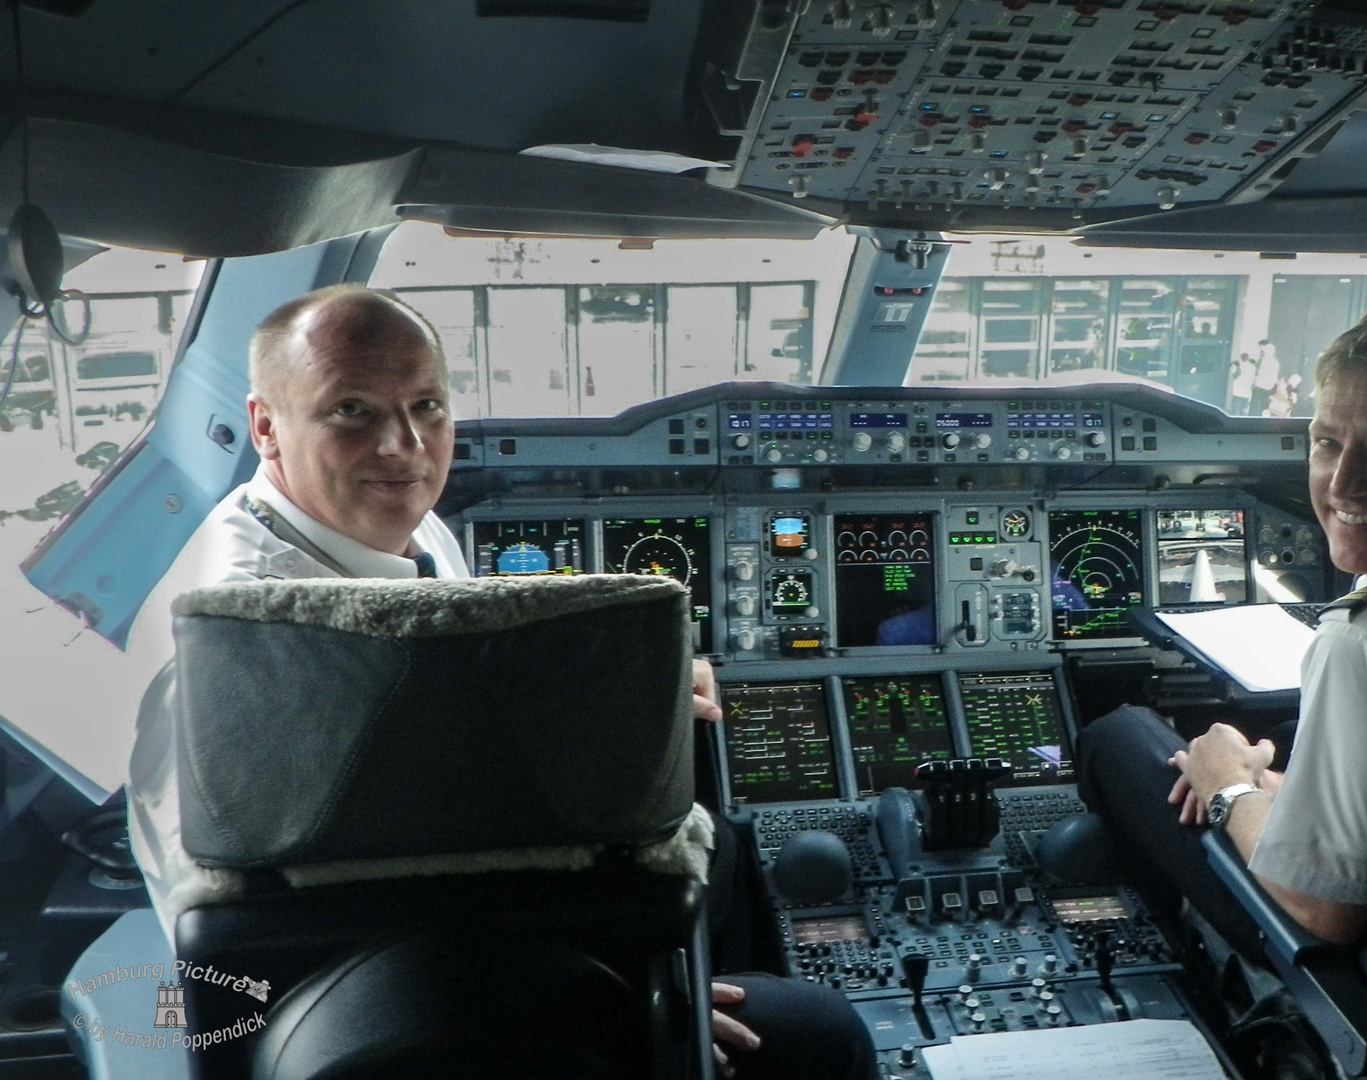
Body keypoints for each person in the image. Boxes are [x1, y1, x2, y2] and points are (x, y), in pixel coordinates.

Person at [124, 285, 872, 1080]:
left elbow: (431, 704)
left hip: (463, 915)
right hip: (397, 1009)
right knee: (821, 1031)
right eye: (352, 410)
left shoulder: (394, 524)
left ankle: (702, 981)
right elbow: (233, 938)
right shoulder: (231, 645)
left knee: (713, 841)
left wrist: (621, 695)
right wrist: (629, 1006)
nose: (403, 444)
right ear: (266, 426)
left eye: (427, 406)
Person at [1075, 303, 1367, 949]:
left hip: (1331, 956)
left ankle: (1198, 970)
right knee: (1279, 736)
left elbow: (1321, 912)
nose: (1343, 485)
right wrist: (1265, 783)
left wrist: (1227, 786)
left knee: (1120, 738)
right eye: (1327, 442)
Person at [1249, 340, 1282, 415]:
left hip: (1258, 387)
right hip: (1268, 388)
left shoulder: (1264, 360)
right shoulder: (1276, 362)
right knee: (1263, 408)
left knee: (1254, 407)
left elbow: (1258, 373)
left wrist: (1254, 383)